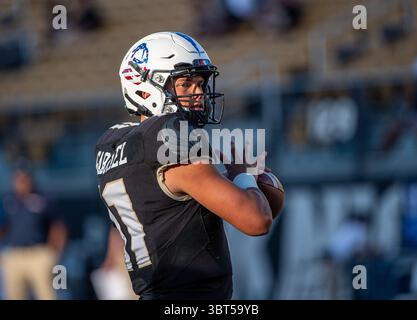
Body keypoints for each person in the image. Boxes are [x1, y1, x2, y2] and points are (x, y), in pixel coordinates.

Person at [95, 31, 273, 300]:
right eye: (186, 84)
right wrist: (244, 174)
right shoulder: (168, 137)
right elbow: (256, 221)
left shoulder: (113, 141)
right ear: (145, 86)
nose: (199, 93)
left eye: (201, 83)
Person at [0, 166, 67, 299]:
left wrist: (56, 252)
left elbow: (58, 226)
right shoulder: (8, 201)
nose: (21, 183)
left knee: (47, 294)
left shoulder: (42, 199)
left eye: (24, 179)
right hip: (14, 254)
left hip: (39, 253)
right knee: (14, 295)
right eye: (18, 179)